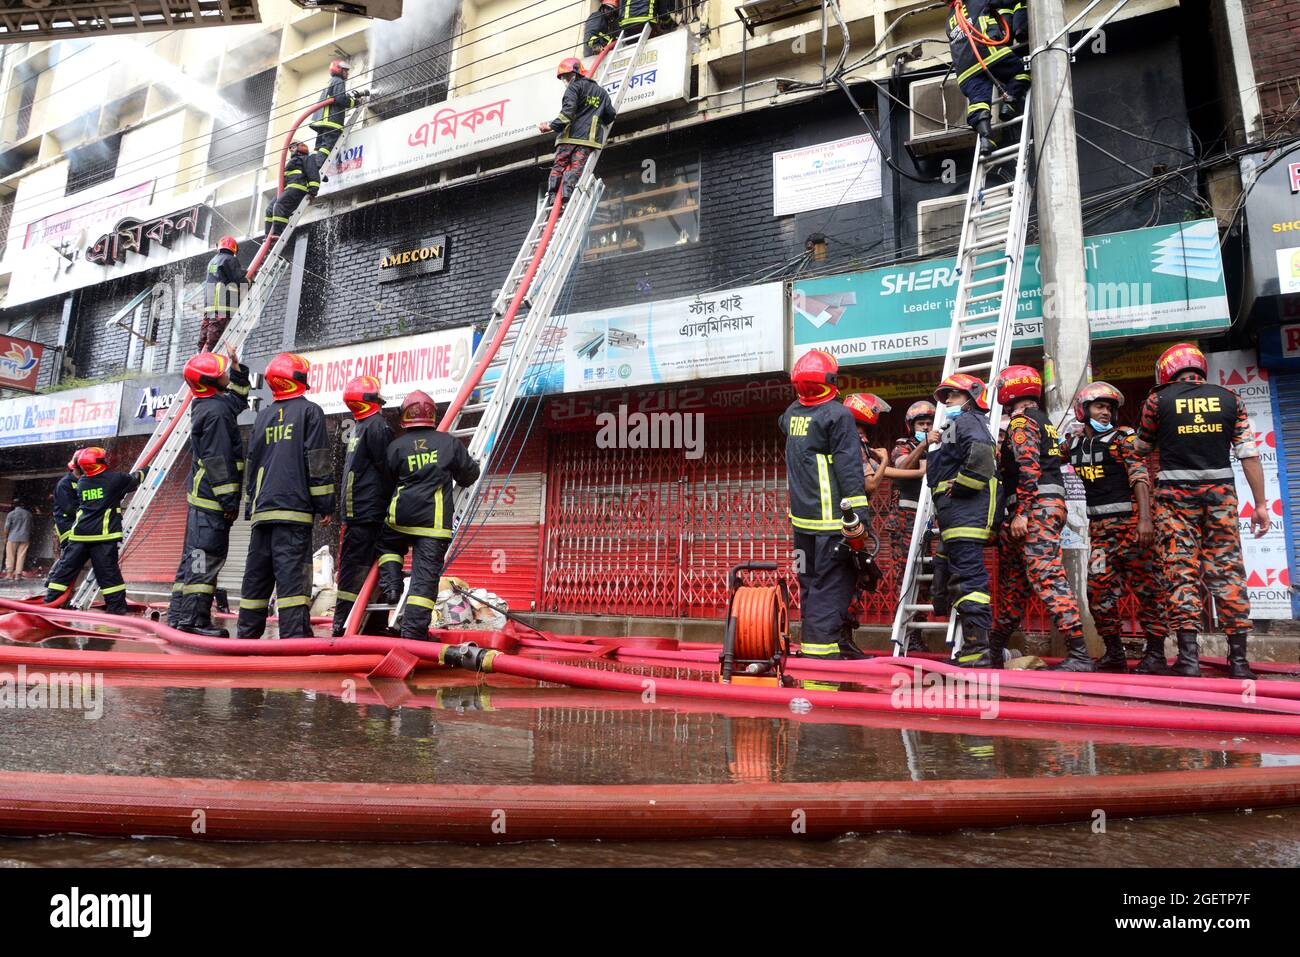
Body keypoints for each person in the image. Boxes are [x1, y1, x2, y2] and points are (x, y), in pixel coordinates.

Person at [1135, 343, 1270, 679]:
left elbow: (1141, 446)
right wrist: (1261, 504)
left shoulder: (1158, 399)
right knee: (1228, 573)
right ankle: (1239, 662)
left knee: (1181, 572)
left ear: (1168, 369)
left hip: (1174, 501)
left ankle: (1189, 660)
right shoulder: (1229, 399)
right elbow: (1249, 454)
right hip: (1221, 498)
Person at [990, 364, 1091, 671]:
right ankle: (993, 650)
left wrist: (1022, 512)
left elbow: (1030, 468)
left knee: (1047, 578)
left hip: (1035, 512)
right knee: (1014, 586)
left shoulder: (1021, 422)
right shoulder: (1043, 421)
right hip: (1040, 509)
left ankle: (1080, 655)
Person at [1066, 381, 1168, 674]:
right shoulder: (1073, 445)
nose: (1106, 412)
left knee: (1149, 591)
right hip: (1100, 534)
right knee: (1097, 593)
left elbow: (1140, 477)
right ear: (1083, 411)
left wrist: (1145, 520)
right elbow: (1047, 456)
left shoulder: (1123, 439)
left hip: (1133, 530)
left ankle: (1156, 655)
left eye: (1110, 408)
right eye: (1099, 406)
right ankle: (1114, 653)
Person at [779, 350, 872, 660]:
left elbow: (786, 422)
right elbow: (848, 469)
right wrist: (860, 515)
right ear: (831, 381)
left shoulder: (792, 414)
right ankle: (821, 654)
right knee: (830, 584)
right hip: (833, 523)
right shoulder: (838, 415)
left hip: (801, 525)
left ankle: (811, 645)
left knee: (807, 581)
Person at [236, 352, 335, 640]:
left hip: (262, 513)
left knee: (257, 577)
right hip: (294, 513)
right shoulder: (310, 412)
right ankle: (293, 641)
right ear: (300, 380)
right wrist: (325, 503)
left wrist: (249, 508)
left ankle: (246, 639)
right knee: (292, 578)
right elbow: (317, 461)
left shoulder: (263, 416)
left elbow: (253, 465)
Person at [376, 391, 480, 641]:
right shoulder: (448, 444)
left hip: (398, 520)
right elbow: (469, 476)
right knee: (424, 581)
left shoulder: (396, 447)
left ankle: (391, 585)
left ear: (404, 416)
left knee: (387, 545)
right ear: (432, 415)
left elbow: (386, 484)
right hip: (432, 527)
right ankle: (413, 635)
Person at [166, 347, 250, 637]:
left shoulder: (211, 403)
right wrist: (229, 500)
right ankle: (194, 621)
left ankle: (178, 615)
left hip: (203, 500)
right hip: (211, 501)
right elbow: (218, 460)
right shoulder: (215, 414)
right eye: (223, 373)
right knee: (204, 556)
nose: (226, 373)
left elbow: (237, 400)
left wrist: (238, 366)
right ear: (211, 382)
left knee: (193, 557)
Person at [925, 373, 999, 667]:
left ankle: (977, 652)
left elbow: (980, 457)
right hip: (955, 517)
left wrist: (962, 486)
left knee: (970, 579)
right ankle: (972, 649)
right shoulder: (958, 425)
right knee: (955, 575)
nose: (947, 403)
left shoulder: (968, 421)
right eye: (945, 398)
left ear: (970, 397)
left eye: (952, 396)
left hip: (964, 514)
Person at [43, 448, 145, 614]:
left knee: (65, 570)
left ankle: (51, 602)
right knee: (109, 575)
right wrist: (147, 470)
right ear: (101, 462)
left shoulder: (83, 482)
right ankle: (117, 608)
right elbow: (136, 479)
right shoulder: (115, 479)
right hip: (103, 536)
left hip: (80, 536)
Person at [332, 375, 396, 637]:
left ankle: (361, 624)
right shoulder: (374, 426)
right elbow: (387, 470)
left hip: (363, 514)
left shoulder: (366, 426)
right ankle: (350, 624)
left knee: (359, 570)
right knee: (359, 570)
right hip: (367, 515)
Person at [946, 0, 1030, 153]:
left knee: (978, 103)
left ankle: (986, 139)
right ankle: (1009, 104)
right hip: (988, 55)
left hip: (965, 71)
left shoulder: (949, 20)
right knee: (1020, 72)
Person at [887, 400, 936, 651]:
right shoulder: (902, 446)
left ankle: (917, 633)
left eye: (929, 423)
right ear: (911, 426)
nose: (926, 427)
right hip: (905, 520)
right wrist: (923, 446)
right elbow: (901, 466)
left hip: (927, 523)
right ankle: (904, 633)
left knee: (925, 581)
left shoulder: (939, 446)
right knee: (906, 579)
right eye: (921, 423)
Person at [537, 58, 616, 208]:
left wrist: (550, 126)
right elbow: (610, 115)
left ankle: (553, 197)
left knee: (559, 166)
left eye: (566, 76)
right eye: (563, 78)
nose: (565, 80)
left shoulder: (573, 89)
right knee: (576, 168)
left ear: (576, 73)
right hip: (587, 141)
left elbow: (566, 114)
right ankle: (567, 195)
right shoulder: (602, 93)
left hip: (568, 138)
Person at [309, 58, 368, 179]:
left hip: (322, 121)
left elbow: (336, 98)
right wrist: (355, 102)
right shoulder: (339, 81)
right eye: (346, 71)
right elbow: (340, 99)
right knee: (327, 147)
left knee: (318, 147)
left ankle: (313, 168)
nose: (347, 73)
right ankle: (317, 169)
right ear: (339, 70)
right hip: (331, 121)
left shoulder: (331, 81)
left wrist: (351, 97)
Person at [198, 236, 247, 352]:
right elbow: (236, 278)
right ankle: (209, 355)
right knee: (215, 331)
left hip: (210, 302)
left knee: (206, 328)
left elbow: (223, 275)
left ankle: (200, 351)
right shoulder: (230, 259)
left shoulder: (212, 261)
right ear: (234, 248)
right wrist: (248, 282)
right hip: (222, 303)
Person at [264, 141, 318, 242]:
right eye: (291, 148)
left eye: (293, 147)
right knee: (269, 209)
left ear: (300, 148)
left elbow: (313, 174)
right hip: (287, 189)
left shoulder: (307, 159)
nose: (291, 149)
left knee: (279, 205)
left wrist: (312, 192)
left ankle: (279, 233)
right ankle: (268, 236)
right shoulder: (291, 162)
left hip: (298, 189)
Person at [842, 392, 892, 495]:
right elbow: (870, 486)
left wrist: (921, 472)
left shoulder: (844, 442)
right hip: (853, 507)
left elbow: (881, 470)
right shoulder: (856, 447)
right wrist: (885, 460)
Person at [52, 456, 81, 553]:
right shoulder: (64, 484)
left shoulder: (85, 481)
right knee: (69, 558)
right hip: (67, 525)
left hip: (79, 525)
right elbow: (69, 508)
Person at [3, 500, 32, 580]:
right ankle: (18, 575)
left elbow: (6, 527)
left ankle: (9, 574)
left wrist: (5, 538)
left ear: (14, 505)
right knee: (21, 556)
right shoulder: (28, 514)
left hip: (12, 537)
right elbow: (31, 526)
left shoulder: (11, 514)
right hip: (25, 537)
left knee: (10, 556)